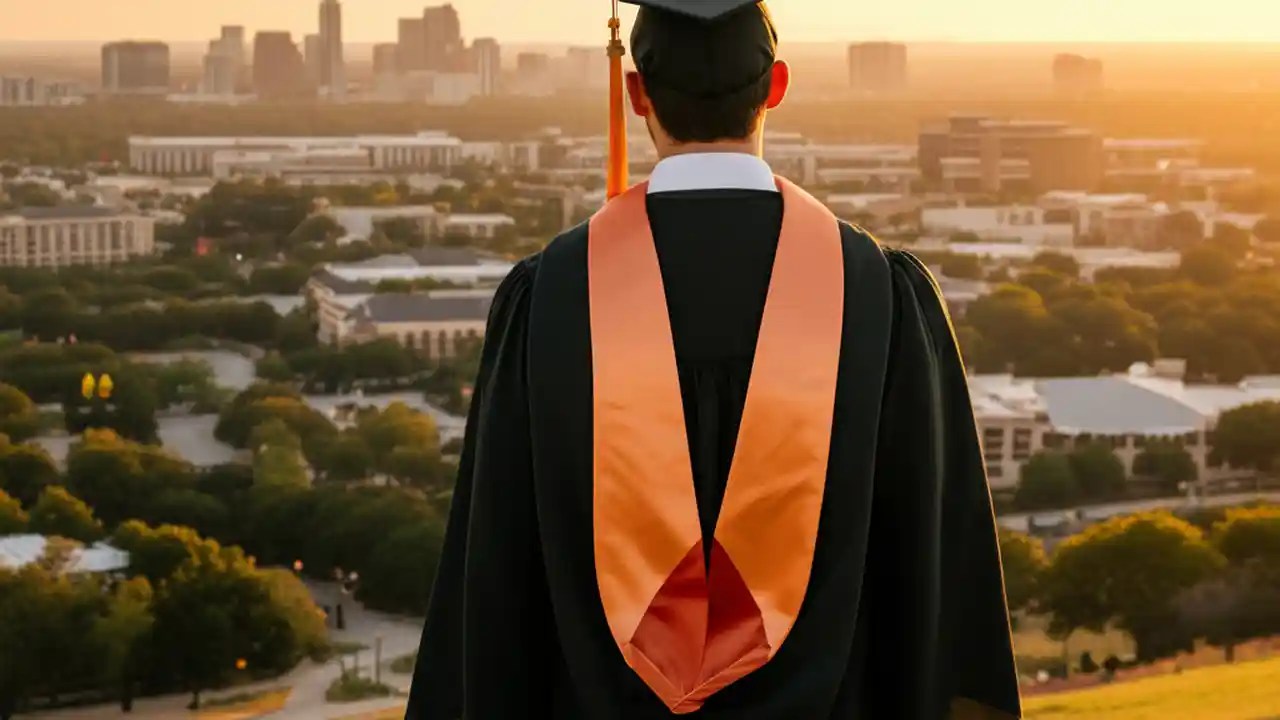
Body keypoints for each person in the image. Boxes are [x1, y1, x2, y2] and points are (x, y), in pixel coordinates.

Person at [405, 1, 1021, 718]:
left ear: (637, 95)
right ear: (777, 86)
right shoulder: (880, 297)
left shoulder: (550, 301)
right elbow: (932, 575)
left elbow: (497, 582)